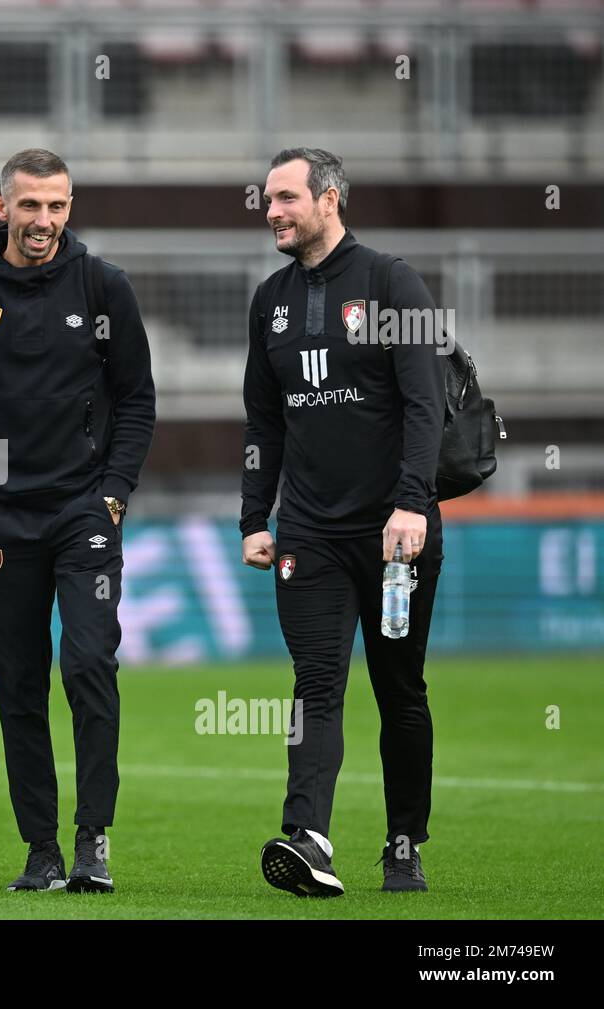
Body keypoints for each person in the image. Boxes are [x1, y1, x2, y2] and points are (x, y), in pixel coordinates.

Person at [0, 149, 156, 893]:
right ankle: (41, 848)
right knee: (18, 685)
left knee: (88, 664)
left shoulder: (102, 286)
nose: (44, 220)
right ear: (1, 207)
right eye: (30, 205)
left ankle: (93, 838)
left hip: (83, 514)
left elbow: (137, 400)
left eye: (57, 206)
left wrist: (114, 493)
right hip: (2, 520)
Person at [240, 147, 446, 897]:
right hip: (309, 534)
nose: (273, 211)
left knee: (400, 689)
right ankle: (309, 837)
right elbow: (263, 419)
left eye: (287, 198)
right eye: (268, 200)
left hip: (395, 535)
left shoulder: (394, 282)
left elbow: (425, 404)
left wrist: (412, 502)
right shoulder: (269, 300)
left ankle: (402, 843)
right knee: (315, 682)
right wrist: (252, 516)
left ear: (329, 199)